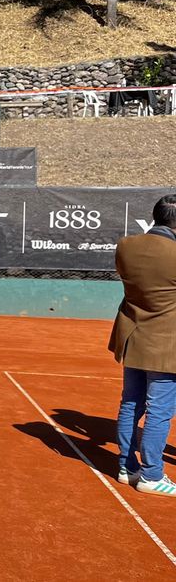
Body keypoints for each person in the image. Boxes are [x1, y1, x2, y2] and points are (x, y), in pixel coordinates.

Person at [110, 194, 176, 496]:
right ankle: (151, 475)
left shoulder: (126, 246)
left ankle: (127, 467)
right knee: (159, 410)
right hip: (166, 343)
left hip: (132, 335)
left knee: (131, 402)